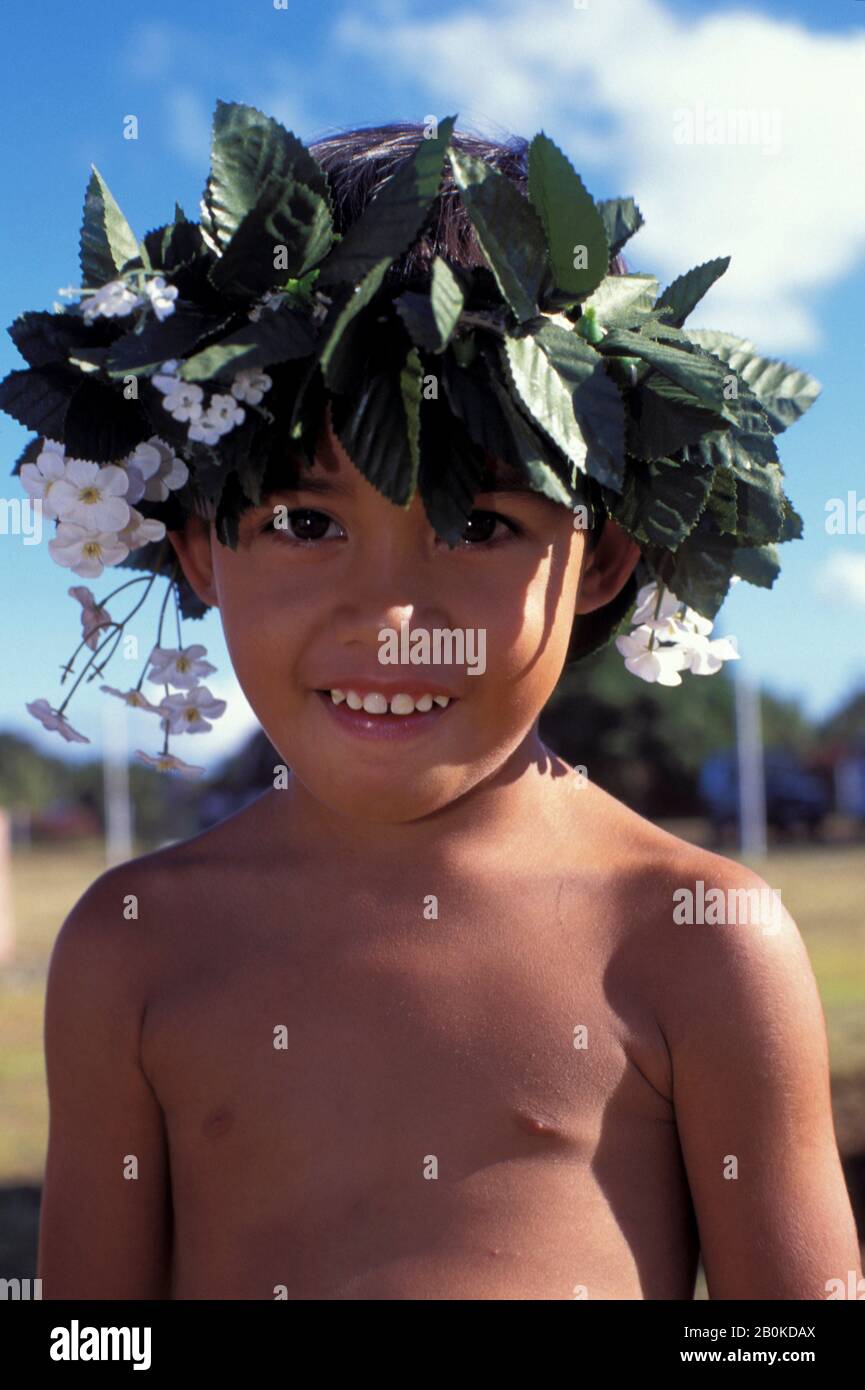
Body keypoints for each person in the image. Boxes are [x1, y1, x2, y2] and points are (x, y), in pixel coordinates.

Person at [29, 116, 861, 1300]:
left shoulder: (698, 943)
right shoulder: (133, 948)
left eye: (480, 525)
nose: (392, 618)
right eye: (304, 522)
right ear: (201, 546)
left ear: (606, 559)